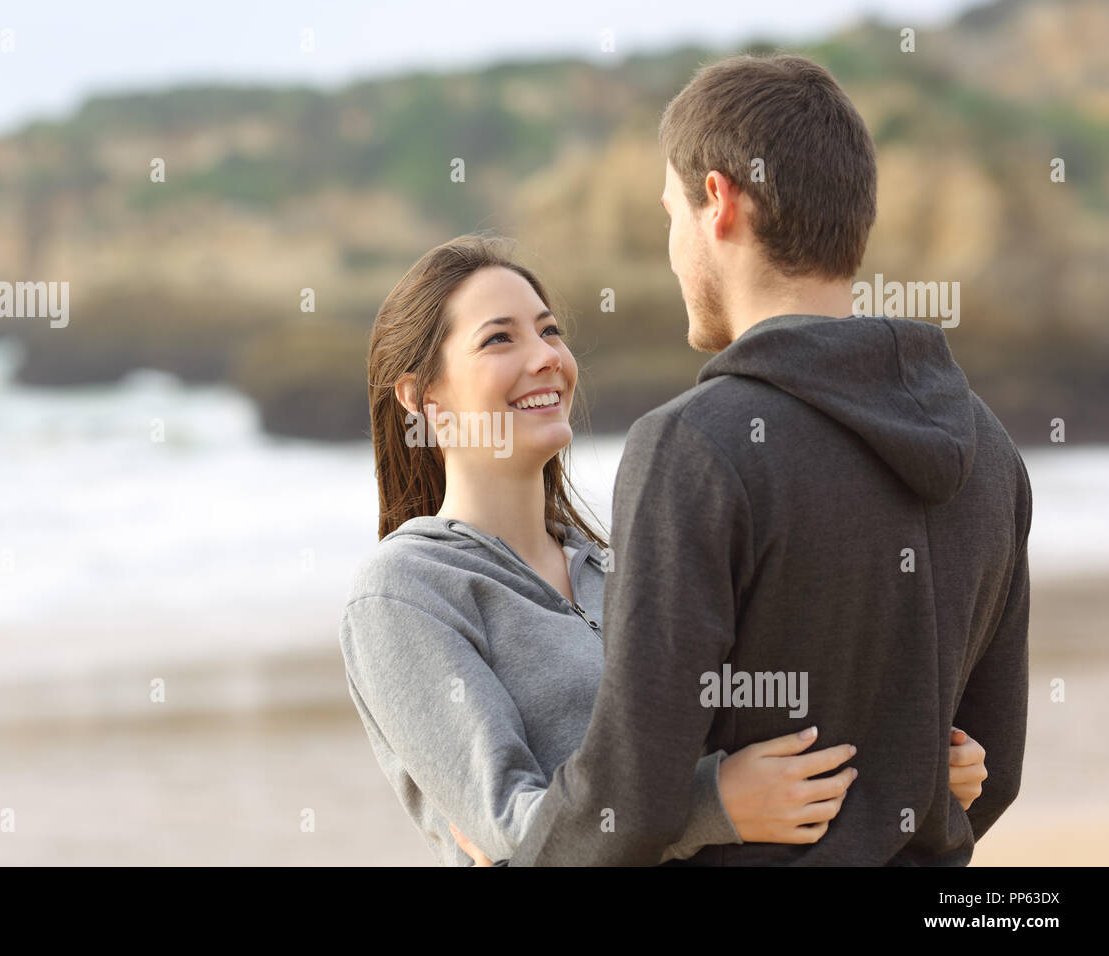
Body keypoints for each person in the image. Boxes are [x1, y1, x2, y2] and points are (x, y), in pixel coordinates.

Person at [501, 53, 1031, 866]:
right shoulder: (991, 449)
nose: (672, 253)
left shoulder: (694, 448)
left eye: (669, 215)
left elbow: (630, 801)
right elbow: (990, 770)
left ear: (719, 202)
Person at [339, 230, 990, 867]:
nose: (545, 357)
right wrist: (714, 803)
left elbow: (765, 744)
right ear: (423, 400)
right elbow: (516, 834)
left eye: (549, 330)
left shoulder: (618, 562)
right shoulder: (403, 591)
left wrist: (918, 768)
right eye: (499, 338)